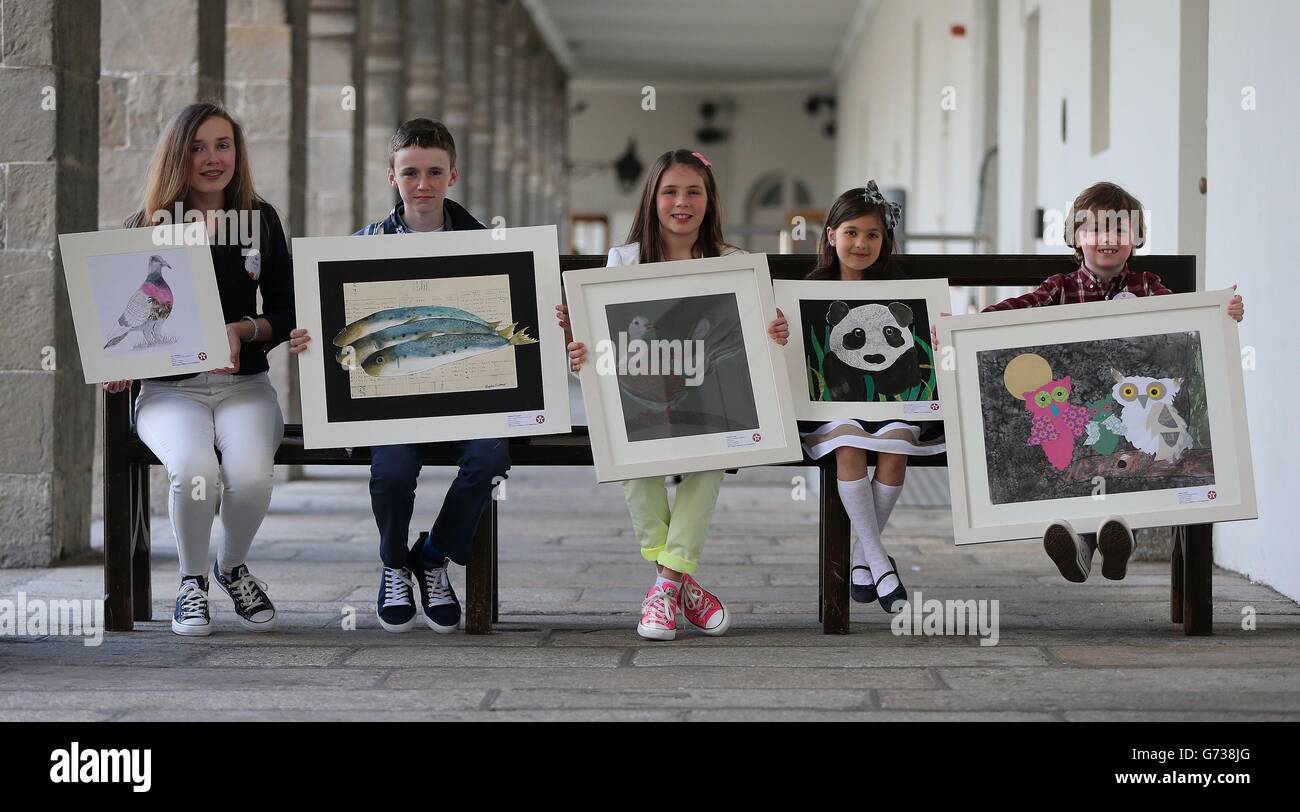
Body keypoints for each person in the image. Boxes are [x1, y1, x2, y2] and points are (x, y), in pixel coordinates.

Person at [288, 118, 510, 633]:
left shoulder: (489, 244)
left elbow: (512, 319)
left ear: (453, 175)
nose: (423, 184)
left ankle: (432, 557)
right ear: (392, 176)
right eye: (411, 173)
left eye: (435, 172)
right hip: (393, 398)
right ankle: (393, 562)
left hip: (468, 393)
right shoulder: (361, 246)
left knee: (490, 457)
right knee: (390, 471)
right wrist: (310, 338)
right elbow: (335, 327)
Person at [557, 149, 789, 640]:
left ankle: (664, 584)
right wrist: (578, 355)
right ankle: (681, 584)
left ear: (709, 201)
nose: (681, 202)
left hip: (707, 400)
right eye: (670, 192)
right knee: (628, 456)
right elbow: (605, 347)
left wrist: (777, 332)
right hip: (640, 396)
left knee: (712, 452)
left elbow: (755, 346)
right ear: (652, 199)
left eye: (693, 192)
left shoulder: (735, 265)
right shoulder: (623, 260)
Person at [984, 181, 1245, 582]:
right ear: (1075, 237)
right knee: (1080, 453)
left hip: (1133, 415)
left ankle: (1119, 538)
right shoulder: (1060, 288)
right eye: (1096, 230)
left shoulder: (1147, 286)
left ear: (1136, 238)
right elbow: (1014, 311)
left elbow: (1186, 321)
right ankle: (1085, 546)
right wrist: (961, 329)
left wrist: (1221, 313)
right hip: (1080, 415)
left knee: (1139, 454)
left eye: (1120, 230)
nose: (1108, 239)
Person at [105, 102, 295, 636]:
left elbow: (285, 312)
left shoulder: (261, 220)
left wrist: (242, 330)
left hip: (244, 387)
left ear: (238, 152)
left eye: (223, 145)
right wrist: (117, 362)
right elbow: (116, 317)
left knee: (252, 474)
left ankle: (231, 567)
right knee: (195, 472)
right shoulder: (145, 227)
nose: (213, 159)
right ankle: (191, 583)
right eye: (197, 148)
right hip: (170, 394)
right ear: (176, 157)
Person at [799, 182, 946, 613]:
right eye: (851, 233)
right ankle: (878, 561)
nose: (861, 243)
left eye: (872, 235)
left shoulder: (902, 293)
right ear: (830, 235)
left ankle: (864, 558)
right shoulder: (809, 291)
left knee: (897, 445)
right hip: (832, 408)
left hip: (894, 404)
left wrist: (942, 330)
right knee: (848, 445)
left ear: (885, 241)